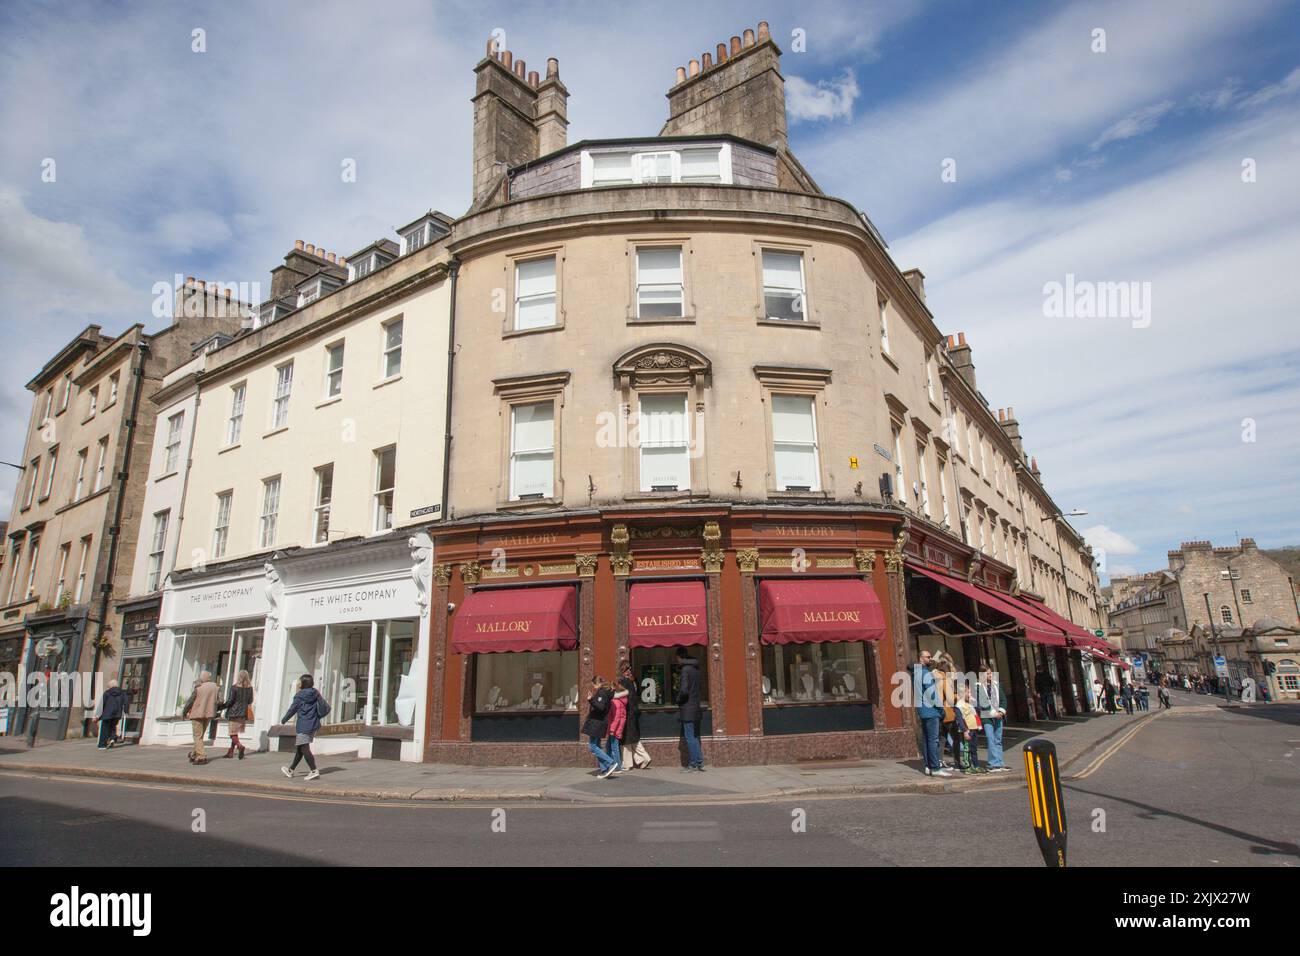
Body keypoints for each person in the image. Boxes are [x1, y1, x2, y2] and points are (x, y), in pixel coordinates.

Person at [280, 673, 329, 781]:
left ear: (303, 684)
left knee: (304, 748)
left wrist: (284, 719)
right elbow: (324, 706)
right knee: (300, 748)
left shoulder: (299, 695)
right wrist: (318, 716)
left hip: (304, 725)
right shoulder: (315, 693)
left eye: (300, 682)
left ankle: (314, 770)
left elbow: (292, 709)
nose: (298, 683)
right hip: (313, 724)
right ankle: (291, 770)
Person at [916, 650, 948, 777]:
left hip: (922, 710)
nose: (930, 659)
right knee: (933, 740)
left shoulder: (917, 673)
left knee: (926, 740)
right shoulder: (925, 673)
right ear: (921, 658)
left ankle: (928, 766)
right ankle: (935, 767)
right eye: (928, 657)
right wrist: (941, 709)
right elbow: (932, 694)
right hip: (931, 711)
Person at [582, 677, 618, 779]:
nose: (593, 687)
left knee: (593, 747)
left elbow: (600, 707)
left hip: (596, 723)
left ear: (597, 683)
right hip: (600, 722)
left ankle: (610, 762)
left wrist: (591, 699)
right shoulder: (606, 692)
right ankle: (605, 770)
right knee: (597, 745)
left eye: (593, 685)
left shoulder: (602, 692)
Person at [976, 664, 1010, 772]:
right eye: (988, 673)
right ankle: (992, 763)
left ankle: (999, 762)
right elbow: (982, 703)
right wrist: (994, 713)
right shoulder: (978, 686)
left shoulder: (996, 685)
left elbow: (1003, 699)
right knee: (991, 739)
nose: (990, 675)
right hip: (987, 717)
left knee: (998, 740)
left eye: (991, 673)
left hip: (999, 716)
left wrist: (1001, 711)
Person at [617, 660, 650, 769]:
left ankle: (628, 764)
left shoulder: (624, 681)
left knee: (626, 738)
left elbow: (623, 698)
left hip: (627, 712)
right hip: (633, 712)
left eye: (629, 669)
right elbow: (637, 695)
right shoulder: (632, 681)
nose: (628, 671)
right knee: (632, 737)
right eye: (627, 669)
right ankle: (643, 758)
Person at [182, 671, 220, 765]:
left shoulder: (199, 688)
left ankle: (202, 756)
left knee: (197, 736)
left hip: (197, 713)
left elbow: (191, 701)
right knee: (200, 735)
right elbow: (220, 701)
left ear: (202, 678)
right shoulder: (216, 687)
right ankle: (194, 753)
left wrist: (184, 712)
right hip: (208, 714)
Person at [676, 647, 704, 771]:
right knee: (694, 735)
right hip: (695, 706)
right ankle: (698, 761)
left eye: (677, 658)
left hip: (687, 708)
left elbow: (684, 690)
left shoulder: (685, 670)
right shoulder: (695, 670)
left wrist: (678, 699)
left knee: (689, 736)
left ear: (680, 657)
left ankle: (694, 763)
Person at [220, 669, 255, 759]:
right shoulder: (250, 688)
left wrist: (221, 707)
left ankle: (240, 746)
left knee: (232, 733)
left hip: (234, 712)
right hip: (243, 713)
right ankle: (230, 752)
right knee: (235, 732)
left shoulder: (234, 687)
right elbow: (250, 701)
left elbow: (230, 701)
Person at [955, 685, 984, 774]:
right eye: (968, 692)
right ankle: (967, 767)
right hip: (967, 730)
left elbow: (980, 708)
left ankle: (976, 766)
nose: (970, 694)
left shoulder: (970, 703)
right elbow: (960, 719)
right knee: (967, 749)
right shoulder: (959, 705)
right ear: (962, 693)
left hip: (974, 728)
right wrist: (965, 731)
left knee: (974, 749)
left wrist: (975, 702)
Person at [94, 678, 128, 750]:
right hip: (117, 714)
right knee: (113, 726)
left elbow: (102, 704)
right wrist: (125, 711)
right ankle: (112, 738)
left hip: (107, 714)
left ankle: (102, 745)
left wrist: (97, 715)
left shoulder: (107, 693)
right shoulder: (122, 693)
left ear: (110, 686)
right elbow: (126, 702)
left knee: (104, 729)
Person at [607, 681, 629, 771]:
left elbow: (616, 718)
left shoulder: (615, 702)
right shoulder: (621, 702)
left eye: (611, 688)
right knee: (610, 746)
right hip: (617, 729)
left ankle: (617, 767)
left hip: (614, 730)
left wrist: (612, 730)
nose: (610, 690)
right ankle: (612, 765)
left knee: (614, 747)